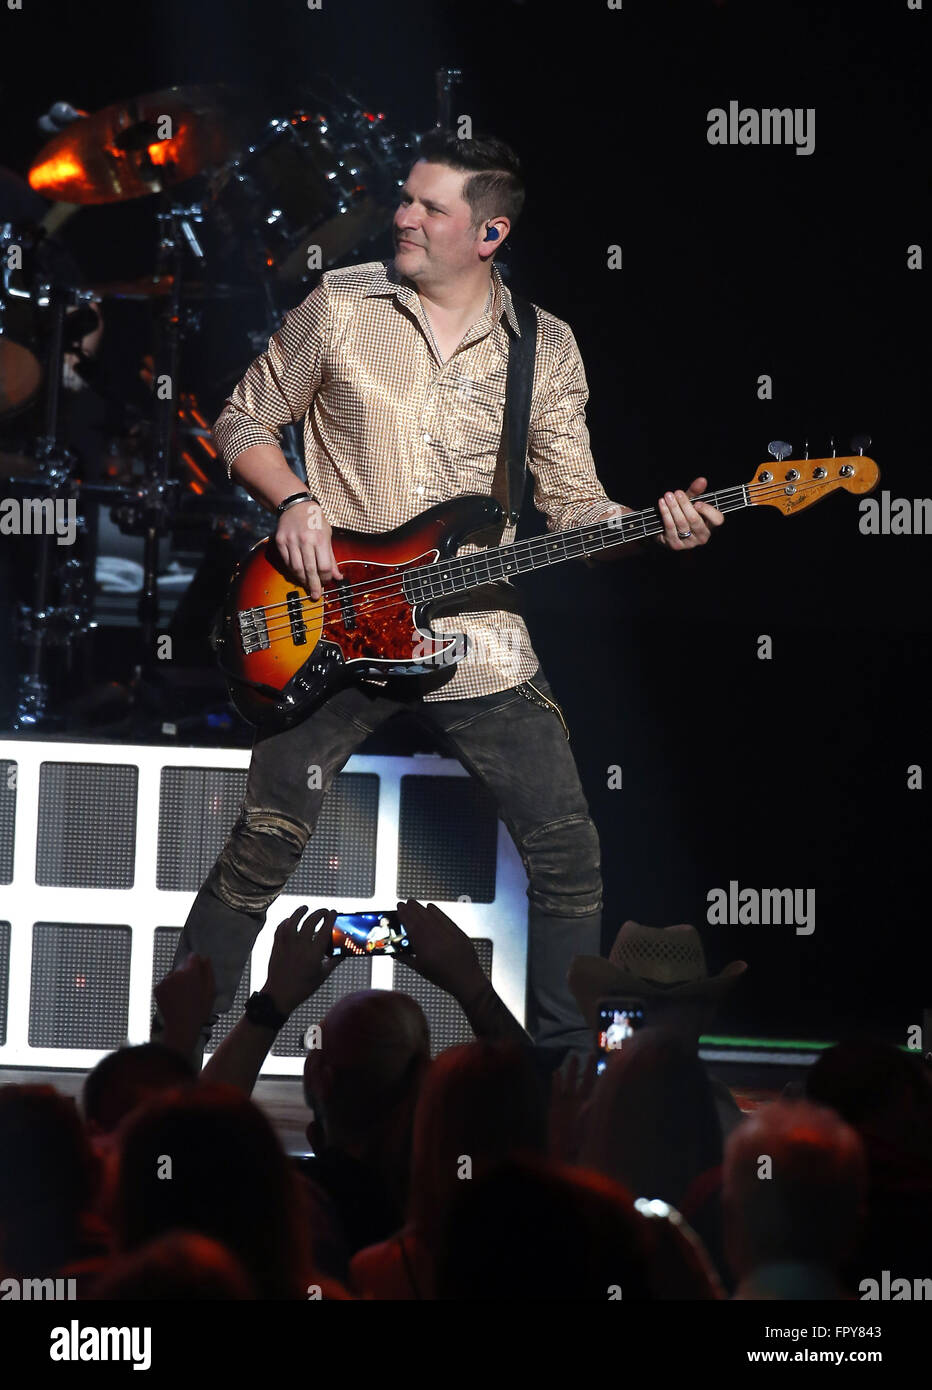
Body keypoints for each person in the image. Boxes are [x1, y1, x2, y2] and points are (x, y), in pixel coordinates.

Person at [155, 129, 723, 1062]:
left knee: (569, 856)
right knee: (262, 846)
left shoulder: (547, 347)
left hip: (476, 634)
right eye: (406, 199)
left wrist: (654, 526)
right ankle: (172, 1066)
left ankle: (557, 1075)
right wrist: (294, 499)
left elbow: (578, 511)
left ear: (489, 234)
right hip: (327, 623)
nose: (403, 217)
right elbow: (244, 416)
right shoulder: (343, 303)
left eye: (430, 208)